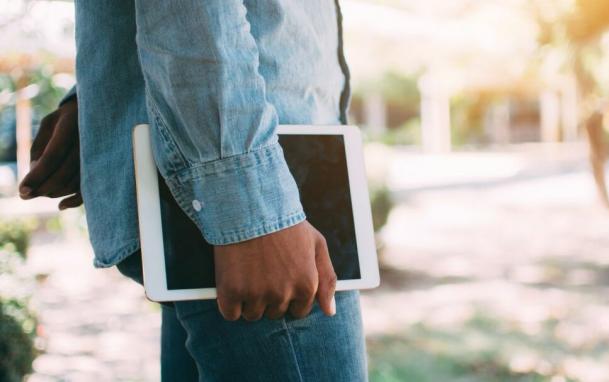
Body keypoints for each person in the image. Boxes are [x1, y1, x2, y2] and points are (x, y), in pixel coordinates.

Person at [18, 1, 368, 381]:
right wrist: (252, 210)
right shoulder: (253, 216)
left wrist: (112, 88)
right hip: (257, 215)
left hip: (250, 192)